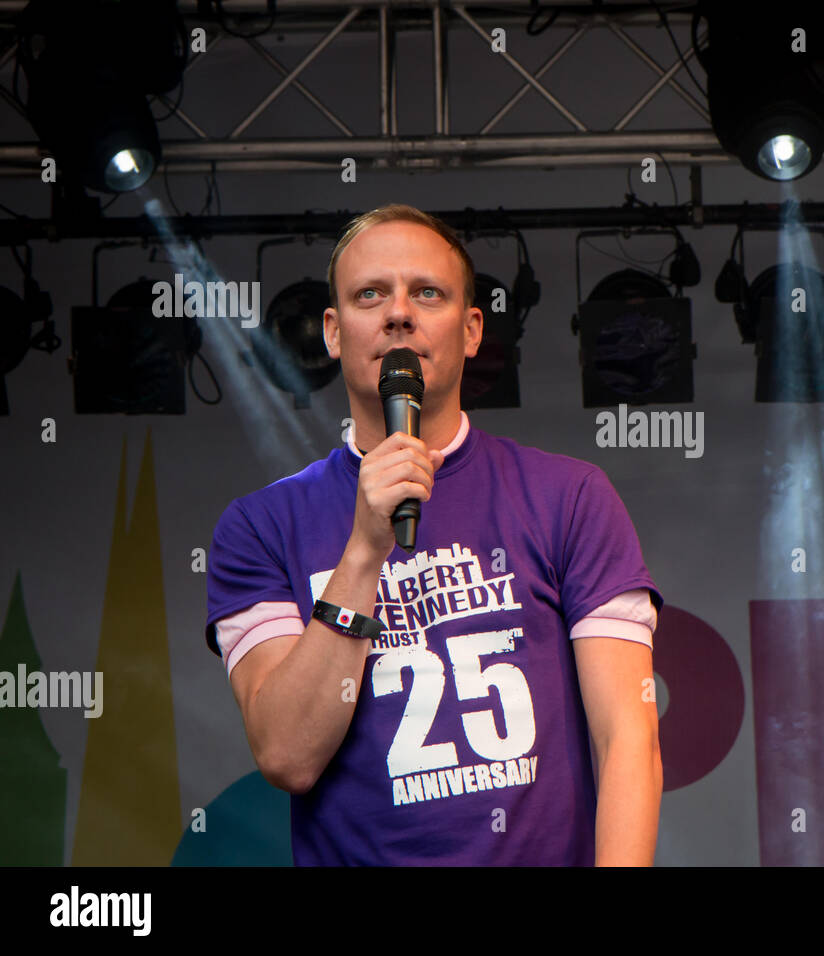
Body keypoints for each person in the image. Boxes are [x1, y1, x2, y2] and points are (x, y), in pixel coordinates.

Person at [203, 203, 664, 866]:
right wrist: (364, 549)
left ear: (472, 329)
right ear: (332, 332)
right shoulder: (259, 526)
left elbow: (628, 738)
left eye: (428, 292)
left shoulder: (569, 496)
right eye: (370, 294)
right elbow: (287, 755)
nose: (398, 312)